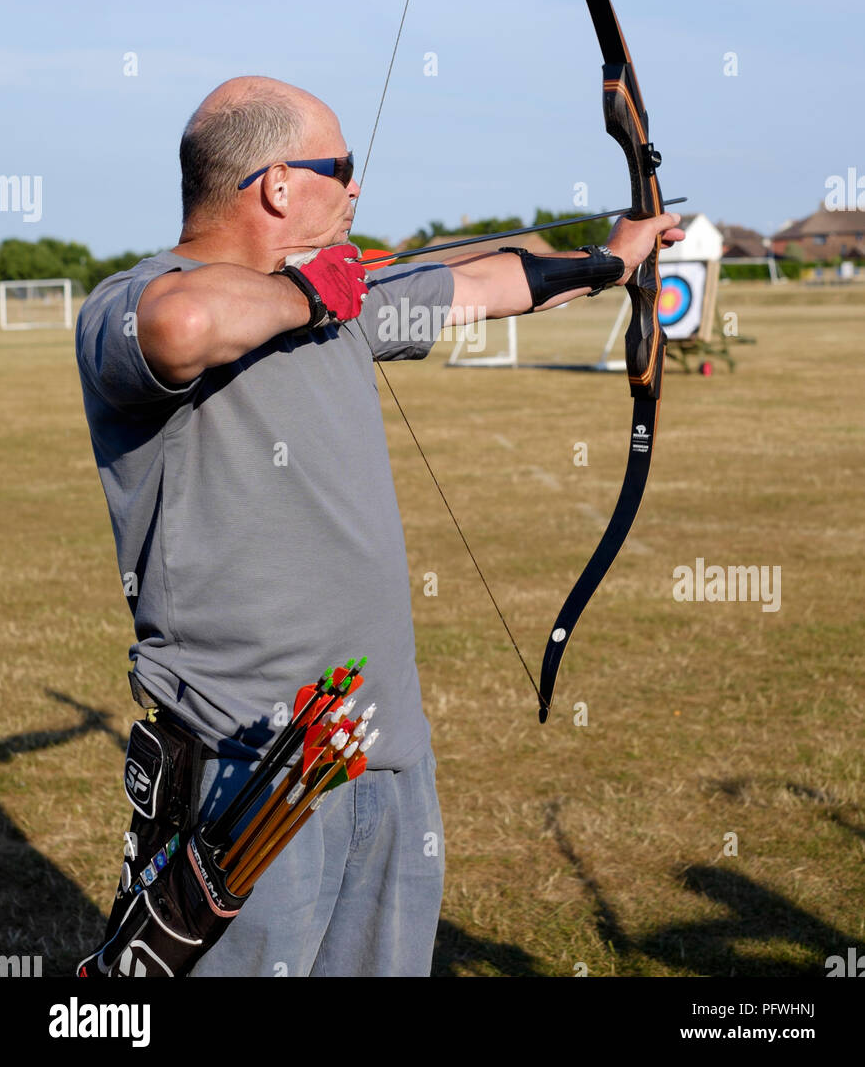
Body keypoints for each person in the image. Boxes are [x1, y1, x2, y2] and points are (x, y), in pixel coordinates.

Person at [76, 74, 683, 977]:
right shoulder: (130, 302)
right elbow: (187, 325)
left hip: (380, 751)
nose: (357, 188)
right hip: (247, 766)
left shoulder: (345, 303)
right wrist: (320, 295)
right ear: (278, 185)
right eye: (341, 169)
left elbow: (487, 281)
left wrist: (612, 260)